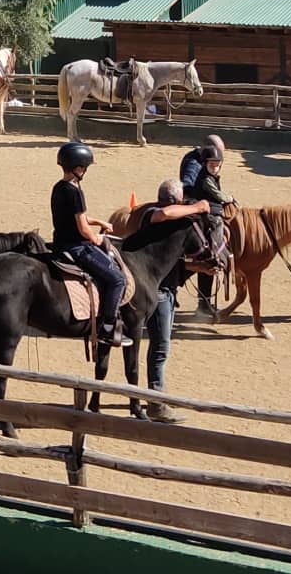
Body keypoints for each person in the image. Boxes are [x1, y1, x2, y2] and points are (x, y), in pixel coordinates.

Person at [125, 178, 211, 423]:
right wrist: (198, 208)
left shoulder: (177, 227)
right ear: (178, 200)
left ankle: (151, 395)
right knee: (160, 346)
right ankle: (156, 399)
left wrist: (200, 268)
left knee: (158, 347)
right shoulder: (152, 214)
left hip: (165, 289)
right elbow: (164, 213)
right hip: (156, 292)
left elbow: (174, 261)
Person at [51, 142, 131, 349]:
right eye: (85, 167)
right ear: (78, 168)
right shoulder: (75, 192)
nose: (85, 171)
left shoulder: (59, 187)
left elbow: (79, 217)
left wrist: (100, 223)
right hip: (76, 247)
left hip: (60, 243)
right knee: (117, 279)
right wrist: (97, 238)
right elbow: (82, 229)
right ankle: (107, 329)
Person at [179, 135, 233, 316]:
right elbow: (188, 187)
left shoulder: (202, 161)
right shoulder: (194, 163)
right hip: (197, 208)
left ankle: (204, 301)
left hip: (206, 206)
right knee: (205, 249)